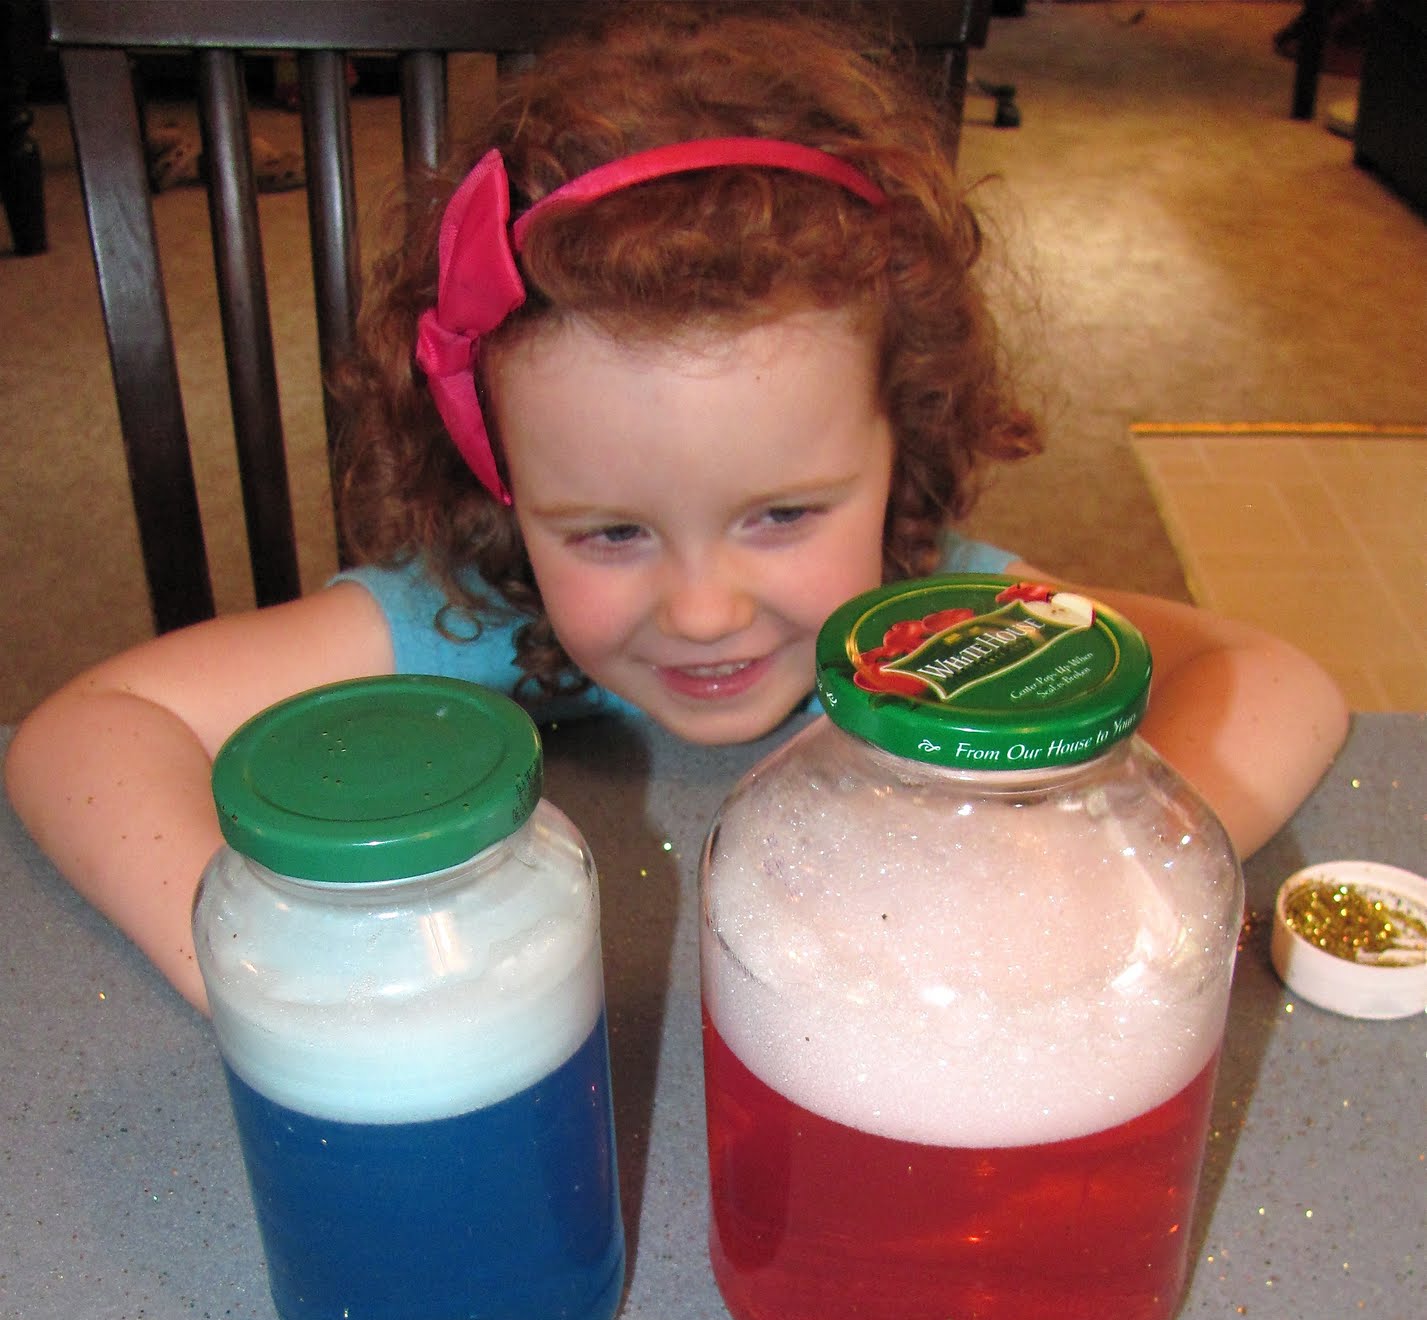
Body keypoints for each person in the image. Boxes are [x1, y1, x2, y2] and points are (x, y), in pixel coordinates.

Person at [4, 3, 1347, 1013]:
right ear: (501, 485)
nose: (704, 608)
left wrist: (1099, 891)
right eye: (608, 532)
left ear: (902, 439)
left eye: (783, 514)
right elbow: (87, 732)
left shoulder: (941, 624)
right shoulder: (474, 619)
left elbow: (1277, 678)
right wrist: (269, 978)